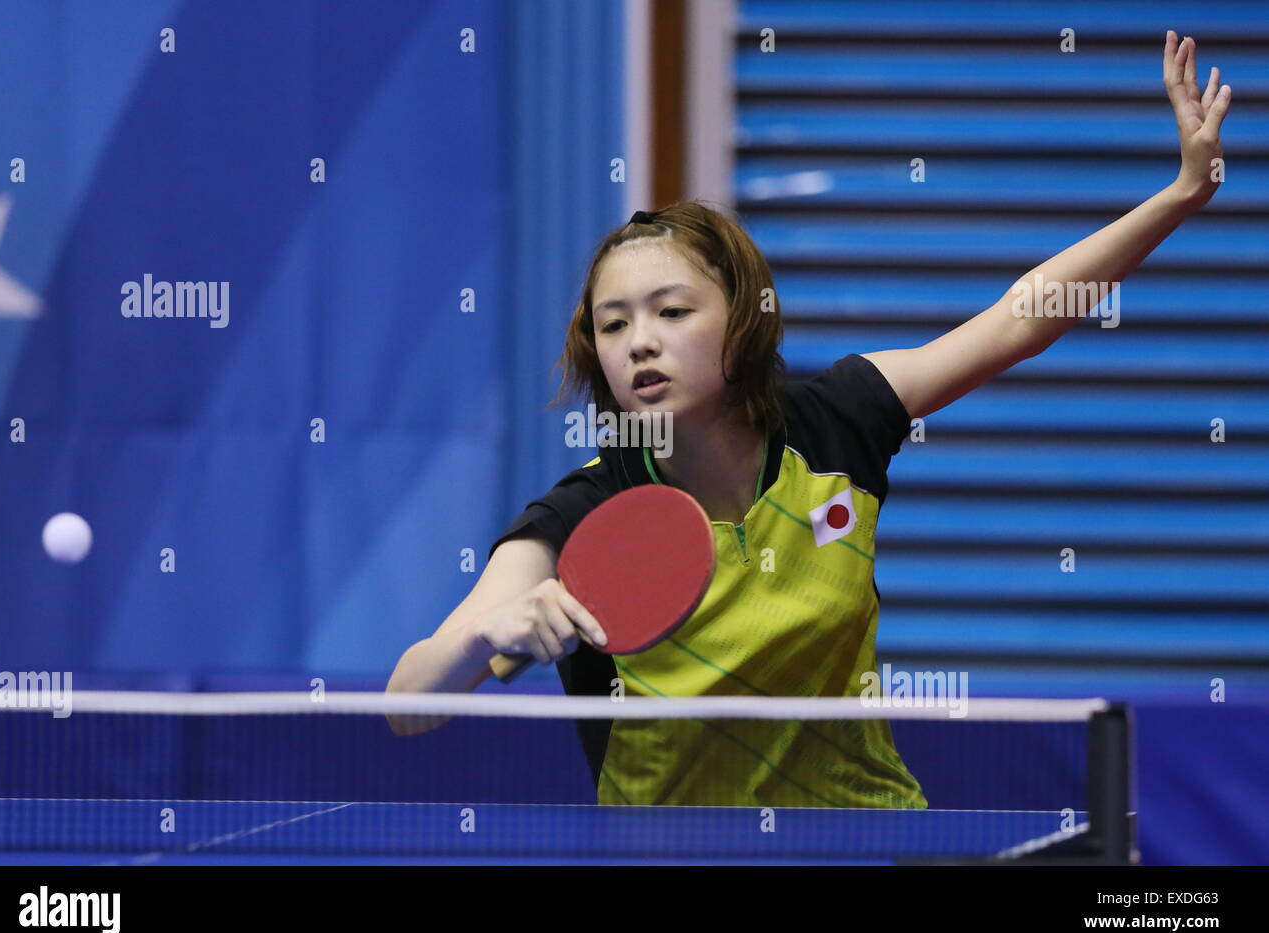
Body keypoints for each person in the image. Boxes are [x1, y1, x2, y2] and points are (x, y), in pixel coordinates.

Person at [387, 31, 1231, 809]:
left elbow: (1019, 318)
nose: (640, 343)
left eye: (672, 312)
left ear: (743, 319)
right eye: (613, 325)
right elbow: (406, 709)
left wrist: (1180, 196)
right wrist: (482, 637)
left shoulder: (837, 426)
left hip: (868, 841)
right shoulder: (579, 517)